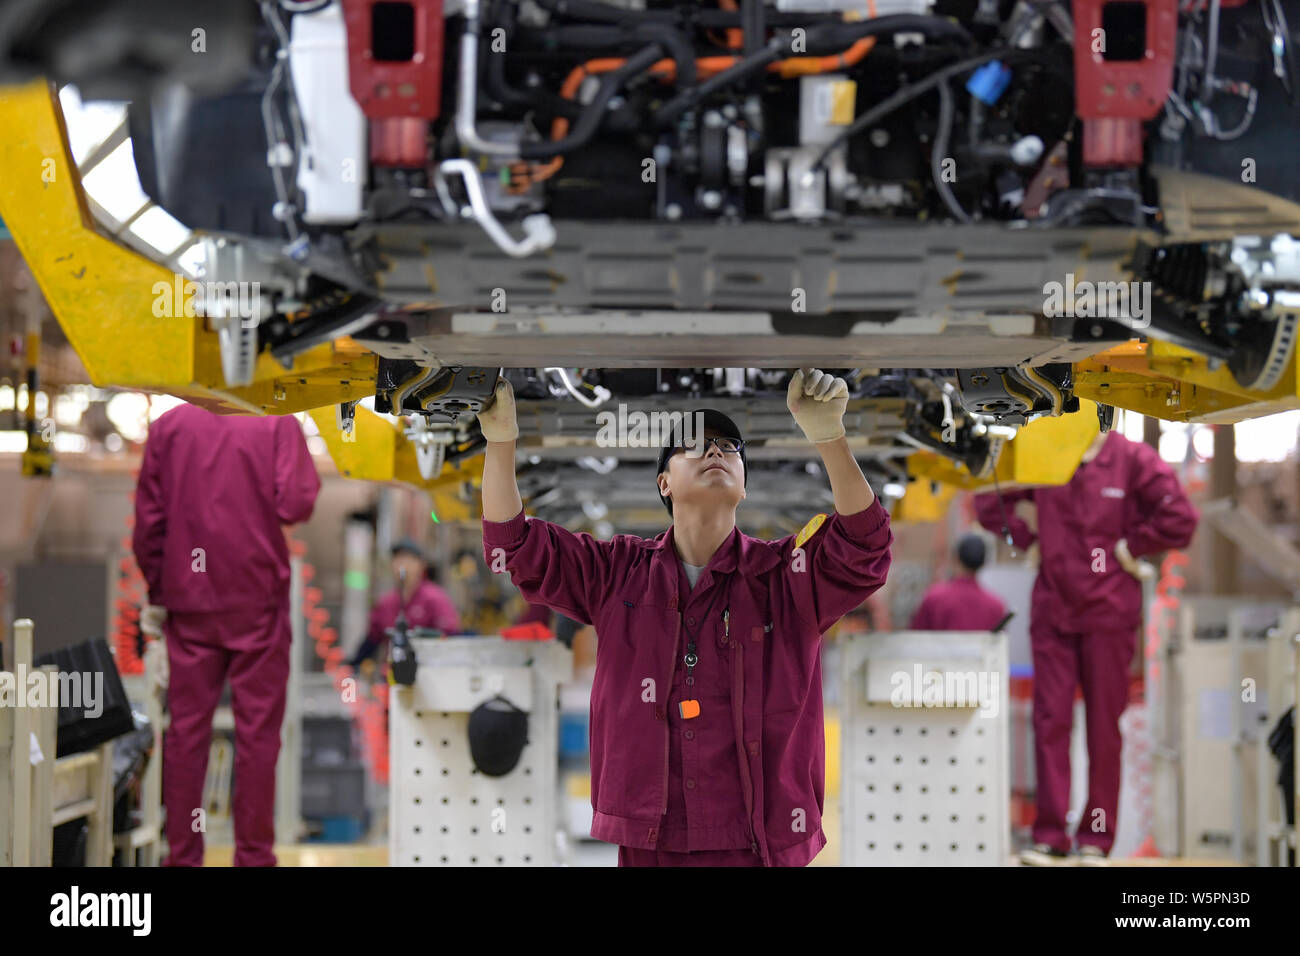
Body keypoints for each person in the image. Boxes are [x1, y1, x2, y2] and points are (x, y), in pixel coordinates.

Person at [478, 368, 893, 866]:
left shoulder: (787, 577)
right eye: (695, 444)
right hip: (652, 843)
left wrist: (831, 438)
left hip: (757, 844)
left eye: (730, 447)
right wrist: (500, 443)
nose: (716, 451)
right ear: (664, 482)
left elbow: (865, 548)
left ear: (743, 486)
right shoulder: (617, 574)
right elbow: (514, 548)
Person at [973, 426, 1198, 865]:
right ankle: (1051, 837)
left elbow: (1181, 517)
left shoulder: (1133, 459)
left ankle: (1096, 838)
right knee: (1050, 720)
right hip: (1053, 610)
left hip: (1109, 612)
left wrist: (1135, 546)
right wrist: (1027, 540)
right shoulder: (1044, 453)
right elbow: (988, 501)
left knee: (1102, 728)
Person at [133, 404, 320, 866]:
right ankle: (254, 858)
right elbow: (296, 503)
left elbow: (148, 526)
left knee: (186, 737)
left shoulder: (168, 428)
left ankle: (182, 857)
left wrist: (160, 593)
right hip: (257, 601)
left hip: (188, 602)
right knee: (257, 737)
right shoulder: (276, 419)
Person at [349, 539, 461, 666]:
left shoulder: (435, 598)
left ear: (421, 565)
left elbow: (450, 637)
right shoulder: (386, 603)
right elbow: (372, 640)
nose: (403, 565)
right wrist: (353, 665)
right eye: (398, 559)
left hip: (427, 672)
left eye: (409, 560)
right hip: (393, 675)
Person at [910, 533, 1007, 631]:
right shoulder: (996, 606)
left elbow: (917, 637)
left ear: (956, 557)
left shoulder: (933, 598)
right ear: (983, 562)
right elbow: (999, 643)